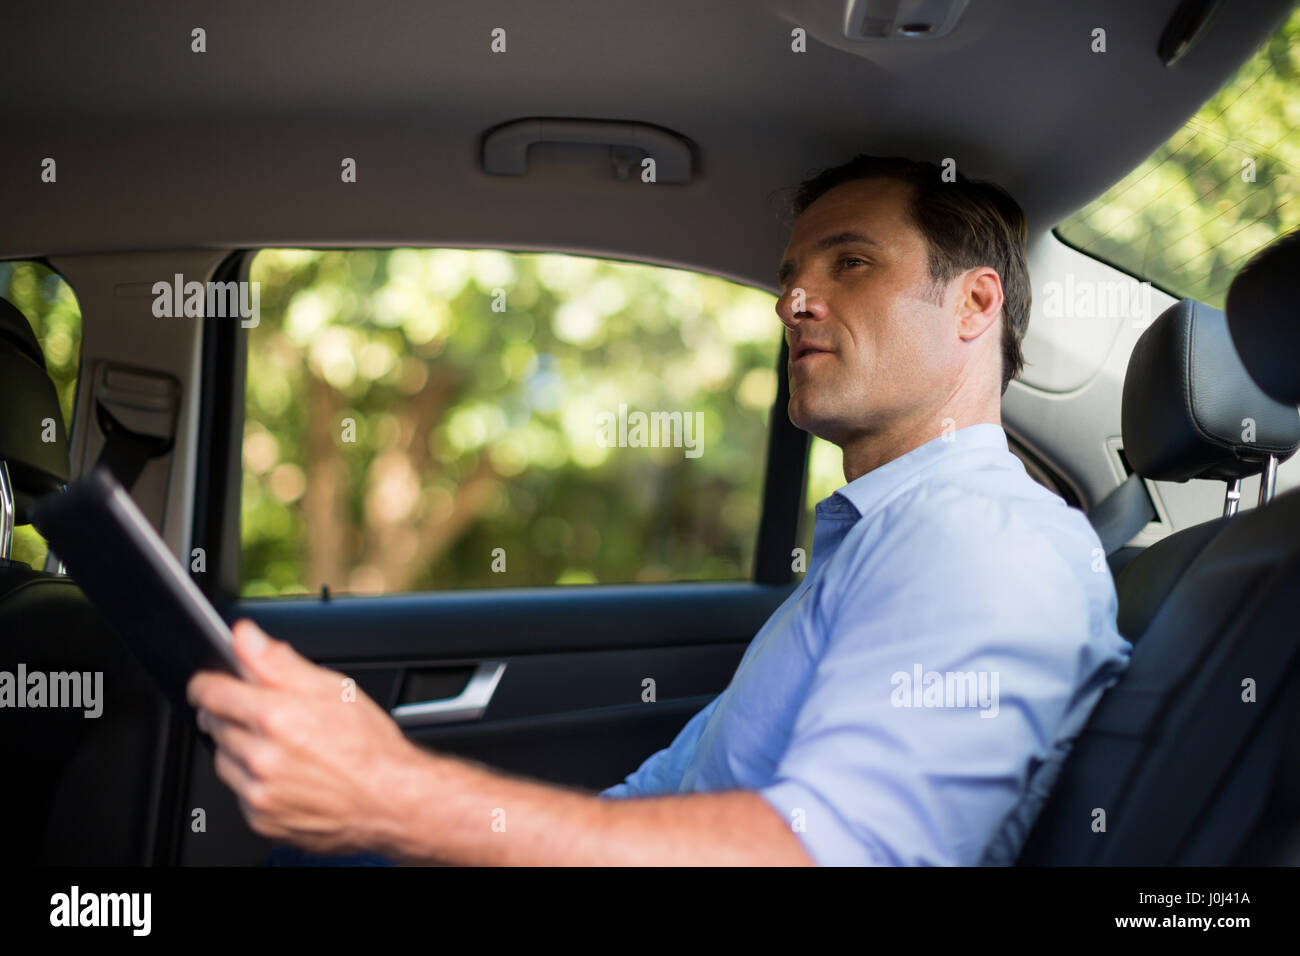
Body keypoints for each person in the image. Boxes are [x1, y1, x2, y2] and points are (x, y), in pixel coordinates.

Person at [189, 155, 1131, 866]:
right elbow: (676, 792)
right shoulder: (886, 541)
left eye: (850, 263)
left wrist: (396, 795)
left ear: (974, 303)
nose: (796, 299)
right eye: (792, 275)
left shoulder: (982, 543)